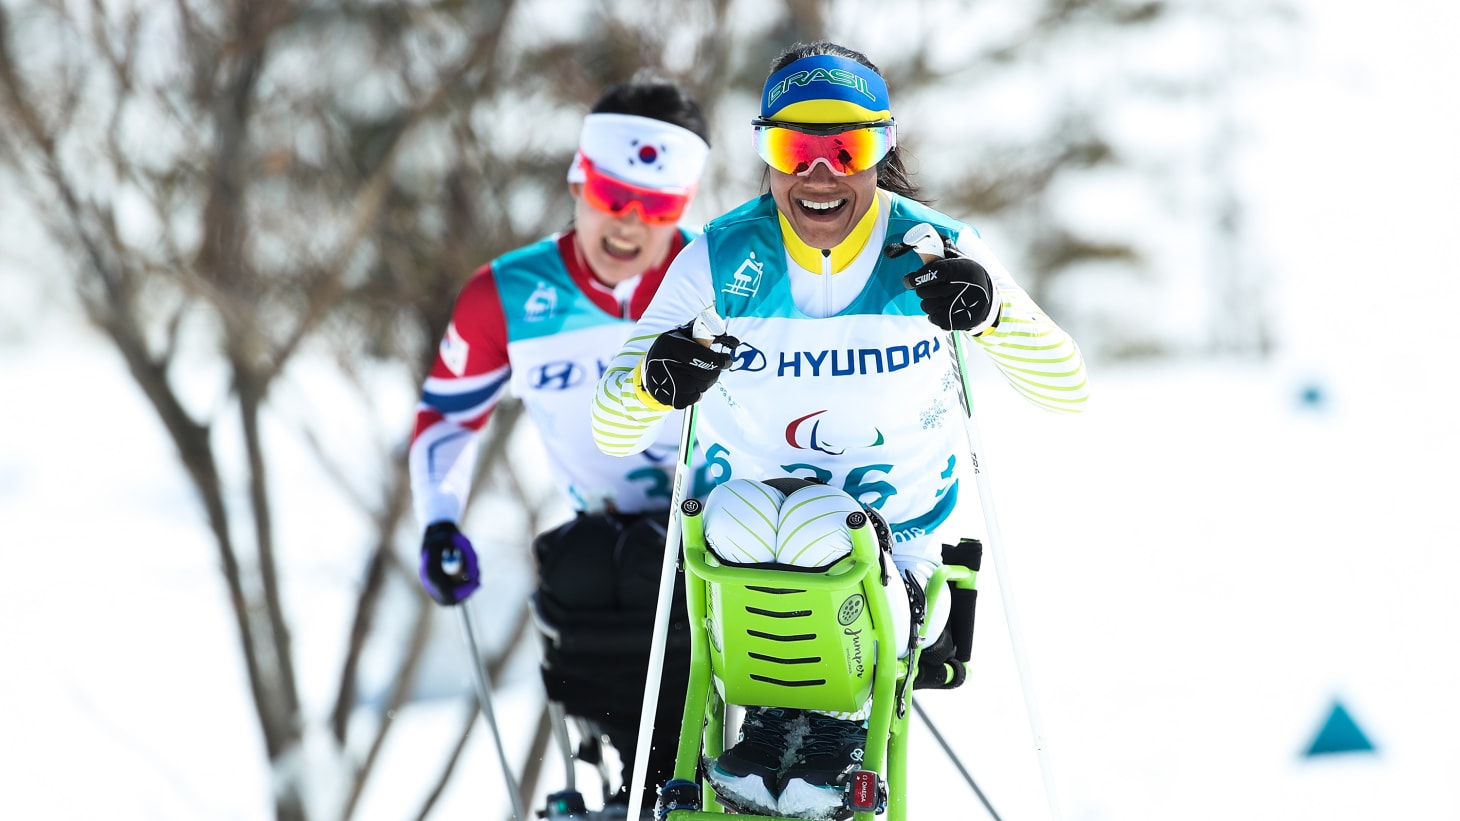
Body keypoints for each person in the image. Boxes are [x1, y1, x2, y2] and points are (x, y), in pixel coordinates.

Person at [591, 42, 1088, 819]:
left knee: (830, 528)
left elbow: (1067, 388)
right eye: (793, 148)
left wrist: (990, 312)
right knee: (749, 520)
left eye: (845, 148)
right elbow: (612, 425)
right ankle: (784, 737)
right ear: (766, 153)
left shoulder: (930, 248)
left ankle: (824, 732)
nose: (818, 174)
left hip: (894, 570)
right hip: (736, 570)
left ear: (880, 153)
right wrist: (660, 379)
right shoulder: (720, 261)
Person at [409, 72, 712, 818]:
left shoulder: (719, 275)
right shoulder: (506, 294)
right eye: (613, 197)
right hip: (602, 533)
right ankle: (633, 786)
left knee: (658, 570)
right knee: (575, 566)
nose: (630, 226)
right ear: (579, 182)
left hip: (715, 524)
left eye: (657, 208)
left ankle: (690, 776)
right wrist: (440, 518)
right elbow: (448, 417)